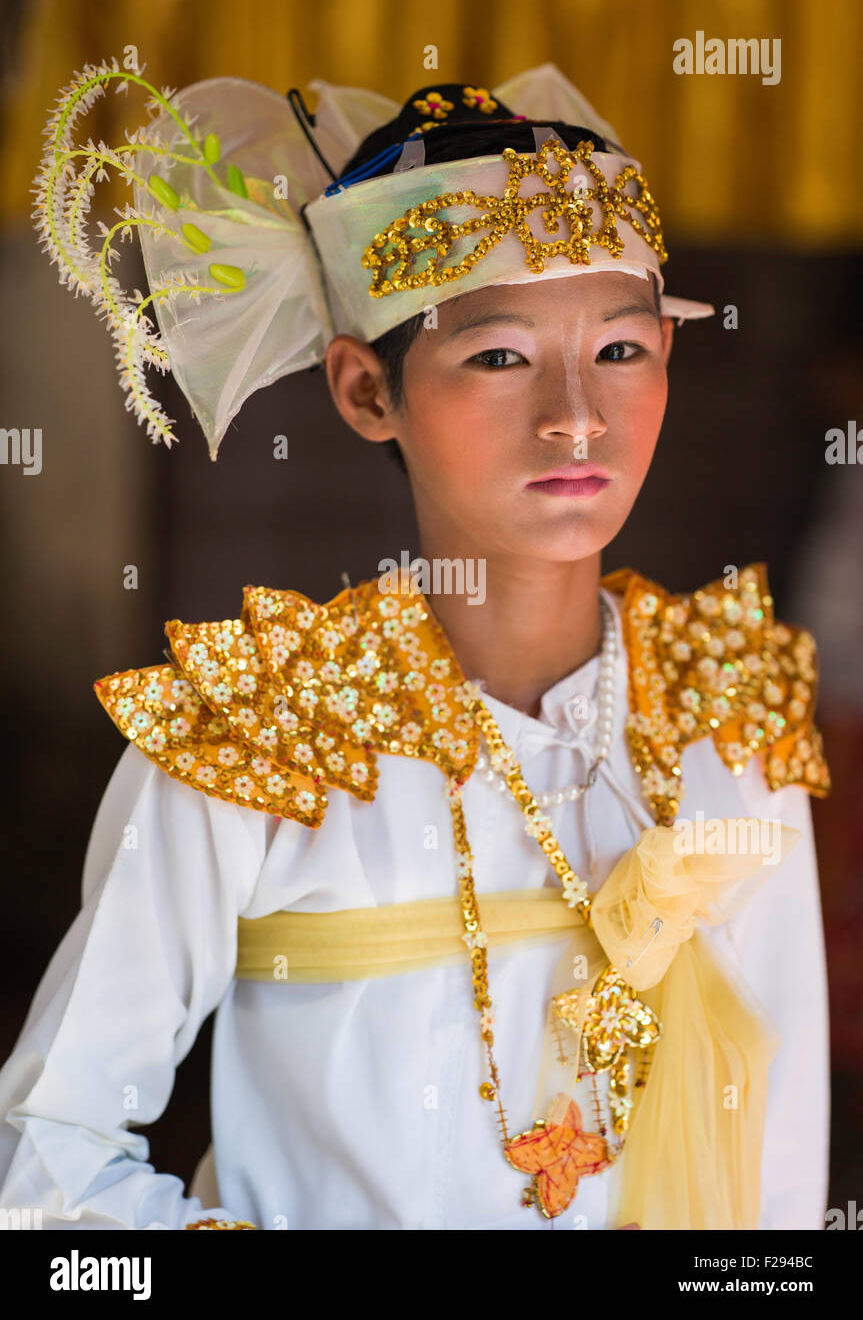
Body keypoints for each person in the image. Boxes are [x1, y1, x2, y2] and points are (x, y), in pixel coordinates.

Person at [0, 62, 831, 1230]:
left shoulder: (728, 705)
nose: (573, 415)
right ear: (363, 391)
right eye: (497, 355)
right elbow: (44, 1159)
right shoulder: (260, 735)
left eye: (620, 349)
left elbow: (779, 1182)